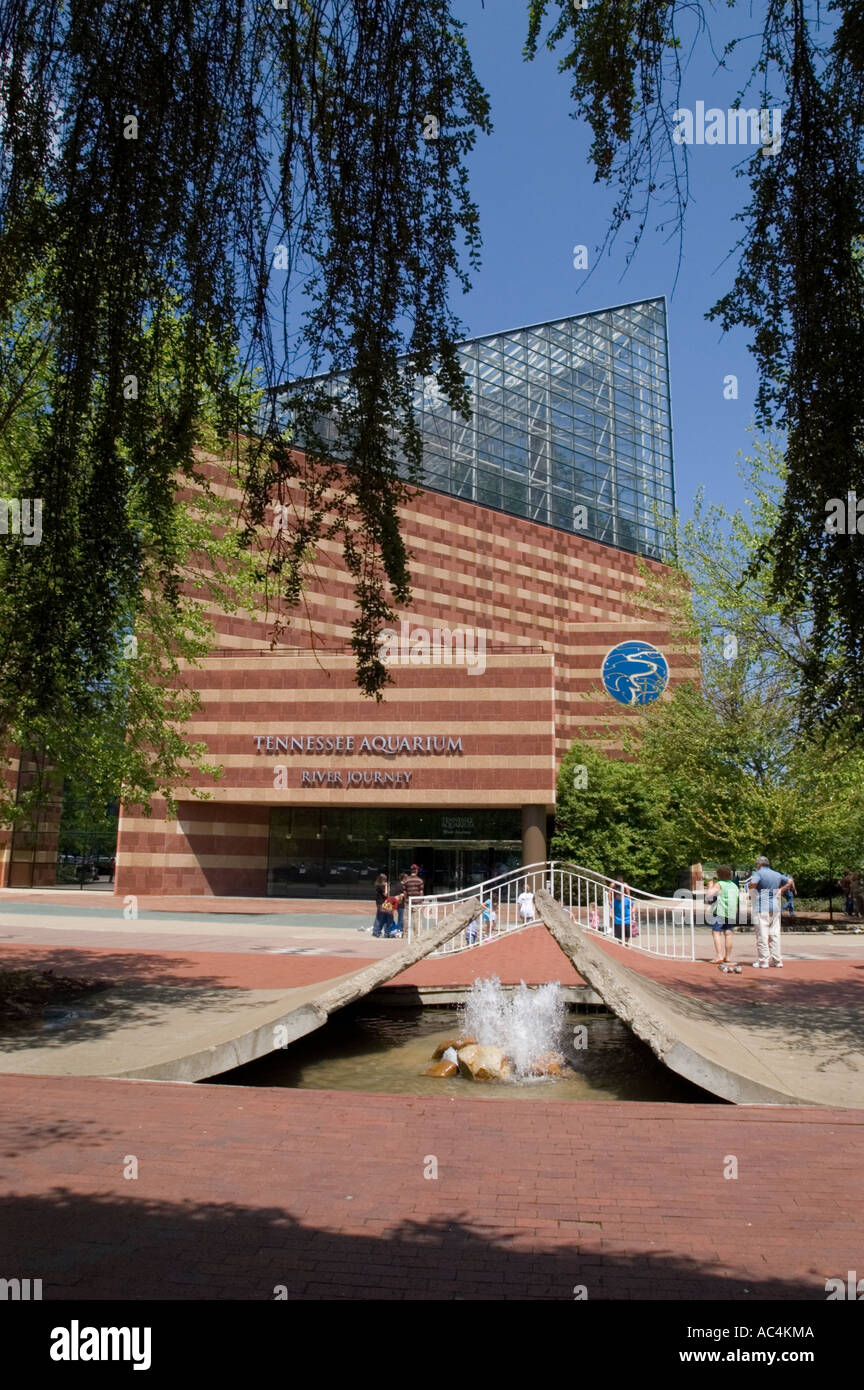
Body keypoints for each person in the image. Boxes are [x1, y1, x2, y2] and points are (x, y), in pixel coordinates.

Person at [746, 856, 793, 967]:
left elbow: (753, 884)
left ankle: (763, 961)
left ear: (759, 864)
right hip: (775, 907)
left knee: (762, 935)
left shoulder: (758, 873)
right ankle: (777, 960)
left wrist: (751, 891)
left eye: (756, 864)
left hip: (762, 907)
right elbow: (790, 881)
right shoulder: (776, 874)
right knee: (774, 935)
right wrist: (781, 890)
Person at [705, 865, 739, 964]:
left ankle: (719, 956)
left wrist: (710, 887)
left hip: (720, 911)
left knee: (716, 932)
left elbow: (709, 896)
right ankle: (727, 957)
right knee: (728, 933)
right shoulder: (734, 886)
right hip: (732, 912)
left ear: (719, 875)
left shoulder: (719, 884)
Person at [610, 876, 633, 944]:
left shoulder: (627, 900)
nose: (618, 896)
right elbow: (611, 907)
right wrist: (610, 912)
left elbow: (632, 904)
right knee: (619, 935)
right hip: (618, 920)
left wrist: (633, 909)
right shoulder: (615, 901)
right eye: (617, 895)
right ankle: (620, 944)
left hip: (627, 920)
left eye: (620, 895)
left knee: (627, 934)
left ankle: (626, 943)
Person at [372, 873, 389, 937]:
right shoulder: (382, 886)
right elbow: (385, 894)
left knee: (379, 917)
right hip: (382, 903)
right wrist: (386, 886)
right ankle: (376, 931)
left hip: (379, 902)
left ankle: (376, 931)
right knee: (381, 917)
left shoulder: (378, 885)